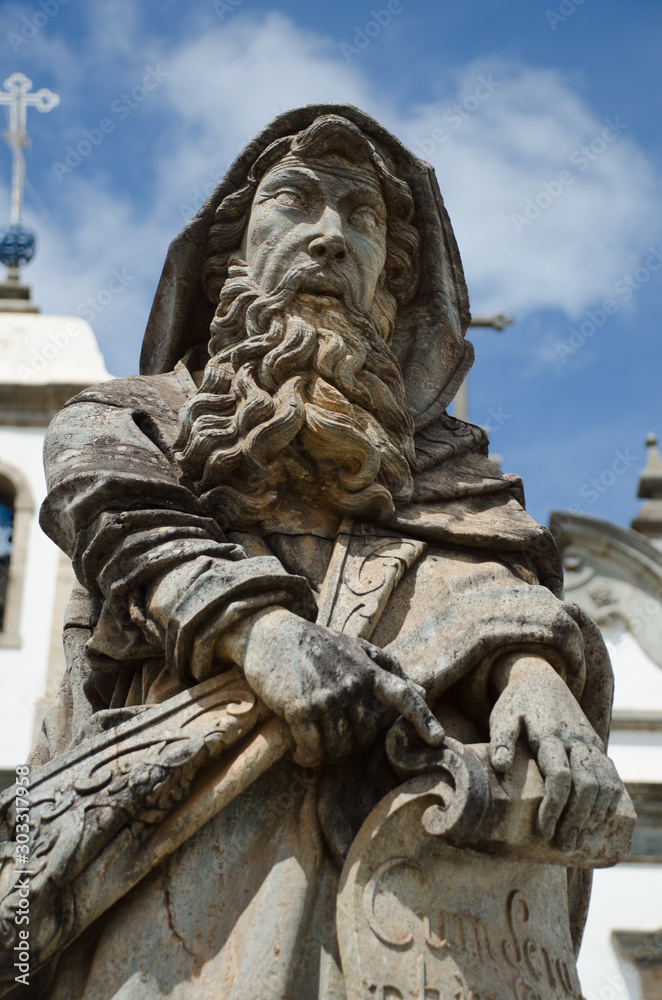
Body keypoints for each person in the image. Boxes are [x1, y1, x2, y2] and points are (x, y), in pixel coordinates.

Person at [24, 105, 621, 999]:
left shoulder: (457, 471)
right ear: (230, 253)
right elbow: (123, 521)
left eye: (362, 217)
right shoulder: (128, 420)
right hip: (190, 856)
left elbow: (498, 584)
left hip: (427, 893)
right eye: (296, 202)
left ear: (392, 278)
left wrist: (534, 677)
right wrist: (262, 635)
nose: (330, 238)